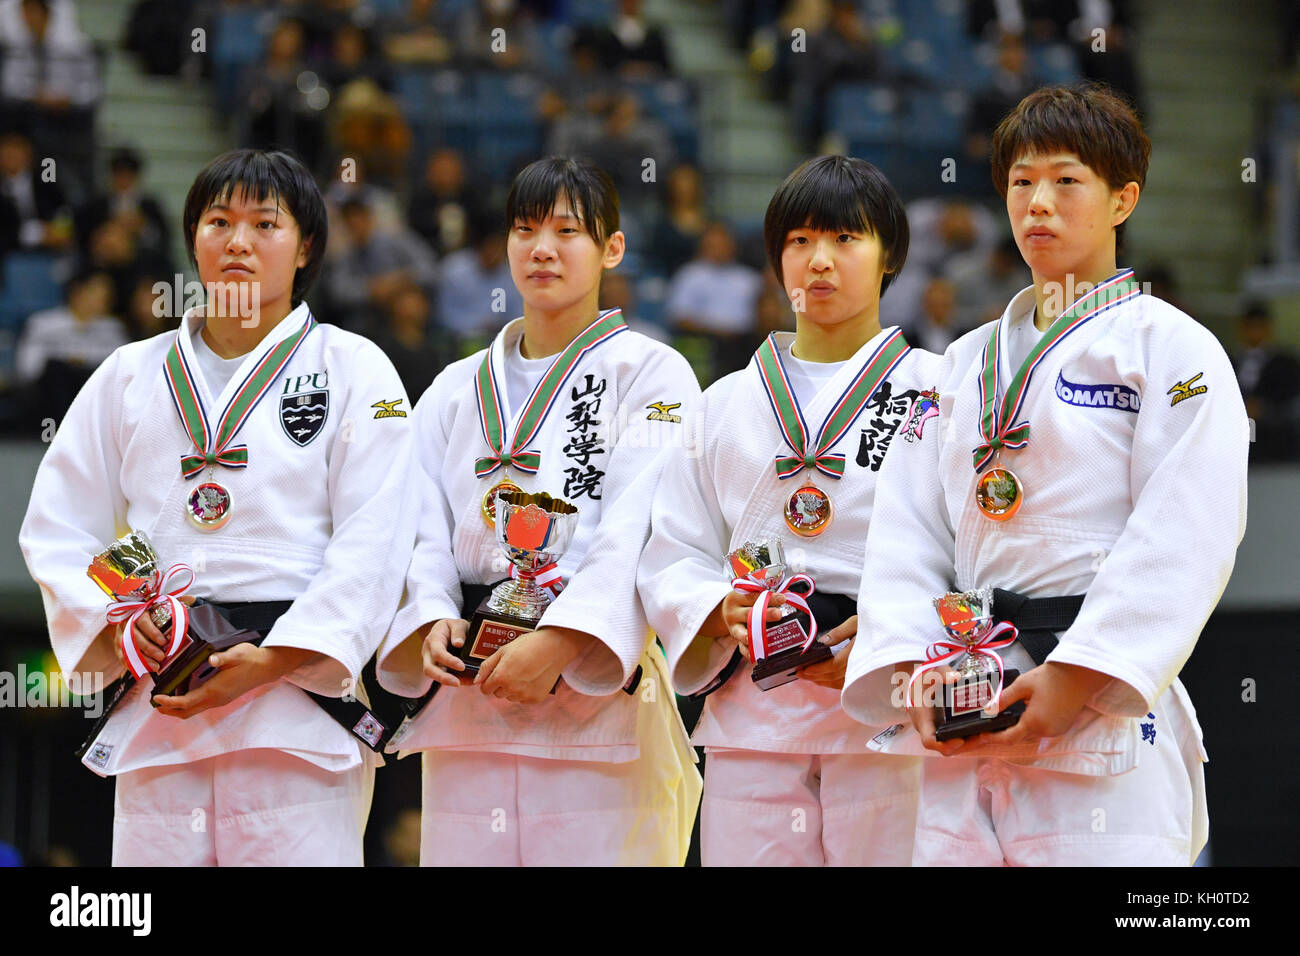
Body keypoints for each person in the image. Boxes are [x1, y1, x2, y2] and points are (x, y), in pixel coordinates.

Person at [843, 84, 1248, 866]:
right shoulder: (960, 363)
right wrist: (913, 667)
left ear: (1122, 199)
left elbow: (1186, 532)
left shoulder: (1172, 348)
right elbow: (907, 533)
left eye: (1067, 181)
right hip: (966, 696)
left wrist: (1074, 678)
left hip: (1098, 708)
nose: (1039, 203)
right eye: (1022, 182)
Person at [19, 148, 414, 866]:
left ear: (306, 248)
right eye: (218, 221)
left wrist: (276, 658)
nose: (237, 241)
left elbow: (378, 535)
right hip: (161, 699)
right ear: (192, 237)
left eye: (265, 224)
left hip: (294, 706)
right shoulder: (127, 374)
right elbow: (56, 527)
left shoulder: (353, 367)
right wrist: (128, 629)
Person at [376, 156, 702, 866]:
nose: (541, 249)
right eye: (524, 231)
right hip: (469, 695)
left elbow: (638, 529)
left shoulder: (651, 372)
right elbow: (418, 525)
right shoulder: (454, 387)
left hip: (592, 694)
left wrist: (559, 642)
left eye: (567, 231)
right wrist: (431, 613)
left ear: (612, 248)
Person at [638, 155, 934, 866]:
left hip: (888, 701)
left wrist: (901, 627)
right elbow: (674, 548)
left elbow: (974, 547)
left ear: (889, 254)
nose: (819, 262)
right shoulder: (723, 403)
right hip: (754, 716)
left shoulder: (941, 391)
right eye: (799, 241)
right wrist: (719, 610)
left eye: (845, 239)